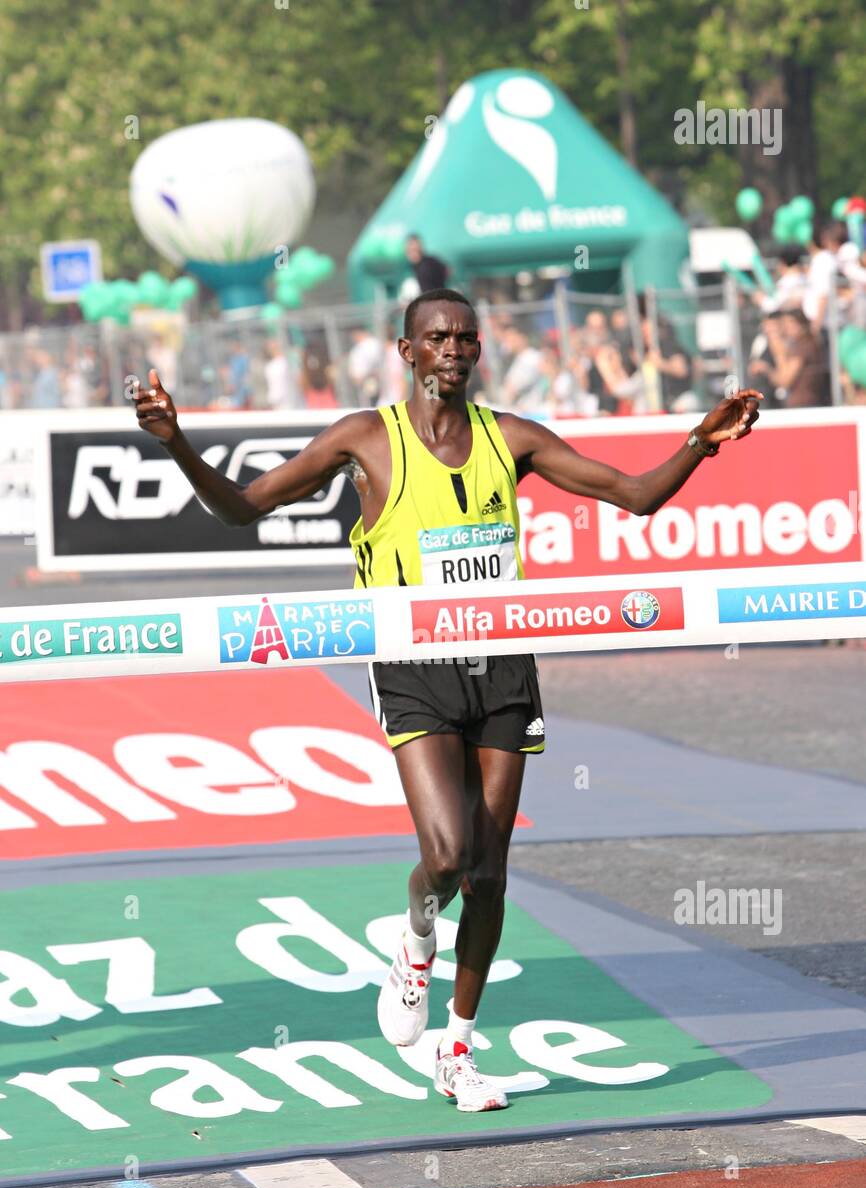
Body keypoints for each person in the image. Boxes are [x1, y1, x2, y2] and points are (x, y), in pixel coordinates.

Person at [133, 288, 761, 1114]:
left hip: (500, 664)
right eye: (439, 338)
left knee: (492, 877)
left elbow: (634, 496)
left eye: (468, 336)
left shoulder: (516, 438)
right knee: (447, 856)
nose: (456, 349)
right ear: (408, 352)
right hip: (410, 662)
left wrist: (700, 444)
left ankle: (458, 1050)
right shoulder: (366, 438)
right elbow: (243, 508)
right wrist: (176, 441)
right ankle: (416, 940)